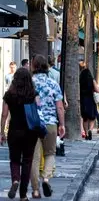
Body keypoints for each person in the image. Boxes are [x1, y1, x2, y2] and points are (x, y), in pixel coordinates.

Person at [1, 68, 40, 200]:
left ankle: (15, 181)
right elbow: (38, 109)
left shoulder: (9, 94)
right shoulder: (33, 94)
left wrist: (2, 132)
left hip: (14, 131)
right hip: (30, 132)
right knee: (27, 162)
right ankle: (23, 195)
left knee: (15, 160)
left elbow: (4, 115)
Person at [30, 55, 64, 199]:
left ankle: (36, 190)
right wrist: (62, 124)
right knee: (50, 154)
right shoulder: (53, 84)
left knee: (34, 158)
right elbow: (60, 107)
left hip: (33, 124)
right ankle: (45, 179)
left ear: (33, 66)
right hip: (50, 123)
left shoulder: (29, 83)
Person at [79, 68, 99, 140]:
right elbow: (97, 90)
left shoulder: (80, 80)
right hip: (90, 99)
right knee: (92, 116)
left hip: (82, 100)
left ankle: (86, 133)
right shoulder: (92, 80)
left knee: (85, 117)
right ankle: (90, 130)